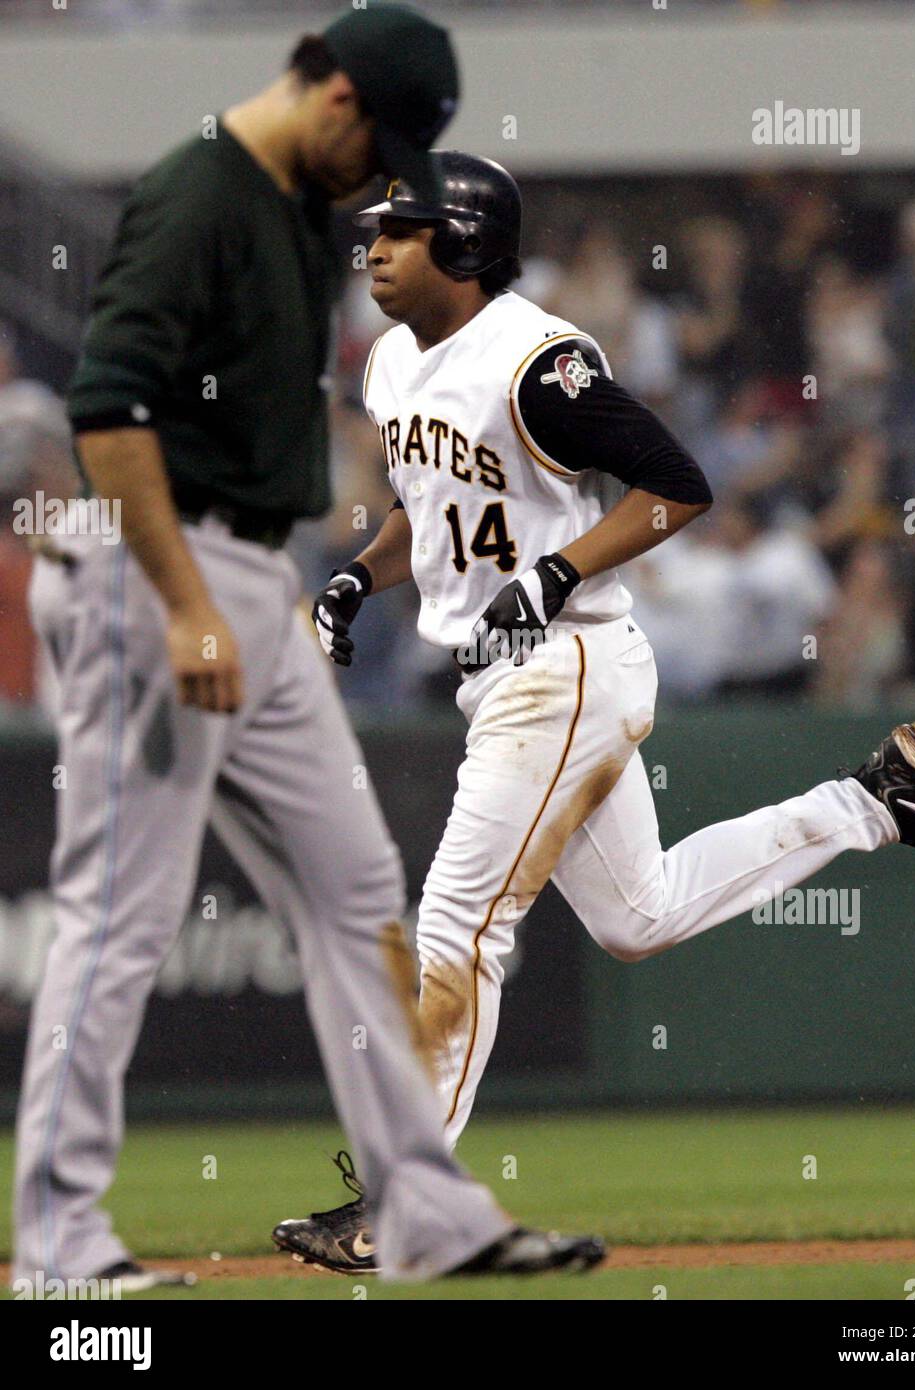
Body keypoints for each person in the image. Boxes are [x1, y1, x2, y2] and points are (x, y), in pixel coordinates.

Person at [274, 152, 915, 1274]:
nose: (374, 245)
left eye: (404, 229)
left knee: (459, 928)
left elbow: (678, 480)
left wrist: (562, 570)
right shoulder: (388, 365)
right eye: (377, 227)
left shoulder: (533, 361)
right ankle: (875, 802)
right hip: (515, 677)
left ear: (464, 247)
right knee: (639, 915)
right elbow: (430, 515)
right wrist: (350, 577)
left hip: (564, 666)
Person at [14, 11, 602, 1295]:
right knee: (119, 914)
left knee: (355, 898)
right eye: (378, 141)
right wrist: (185, 603)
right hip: (150, 566)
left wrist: (255, 594)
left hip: (248, 571)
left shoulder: (283, 206)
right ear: (331, 94)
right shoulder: (201, 193)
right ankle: (61, 1250)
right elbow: (107, 410)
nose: (378, 176)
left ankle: (428, 1217)